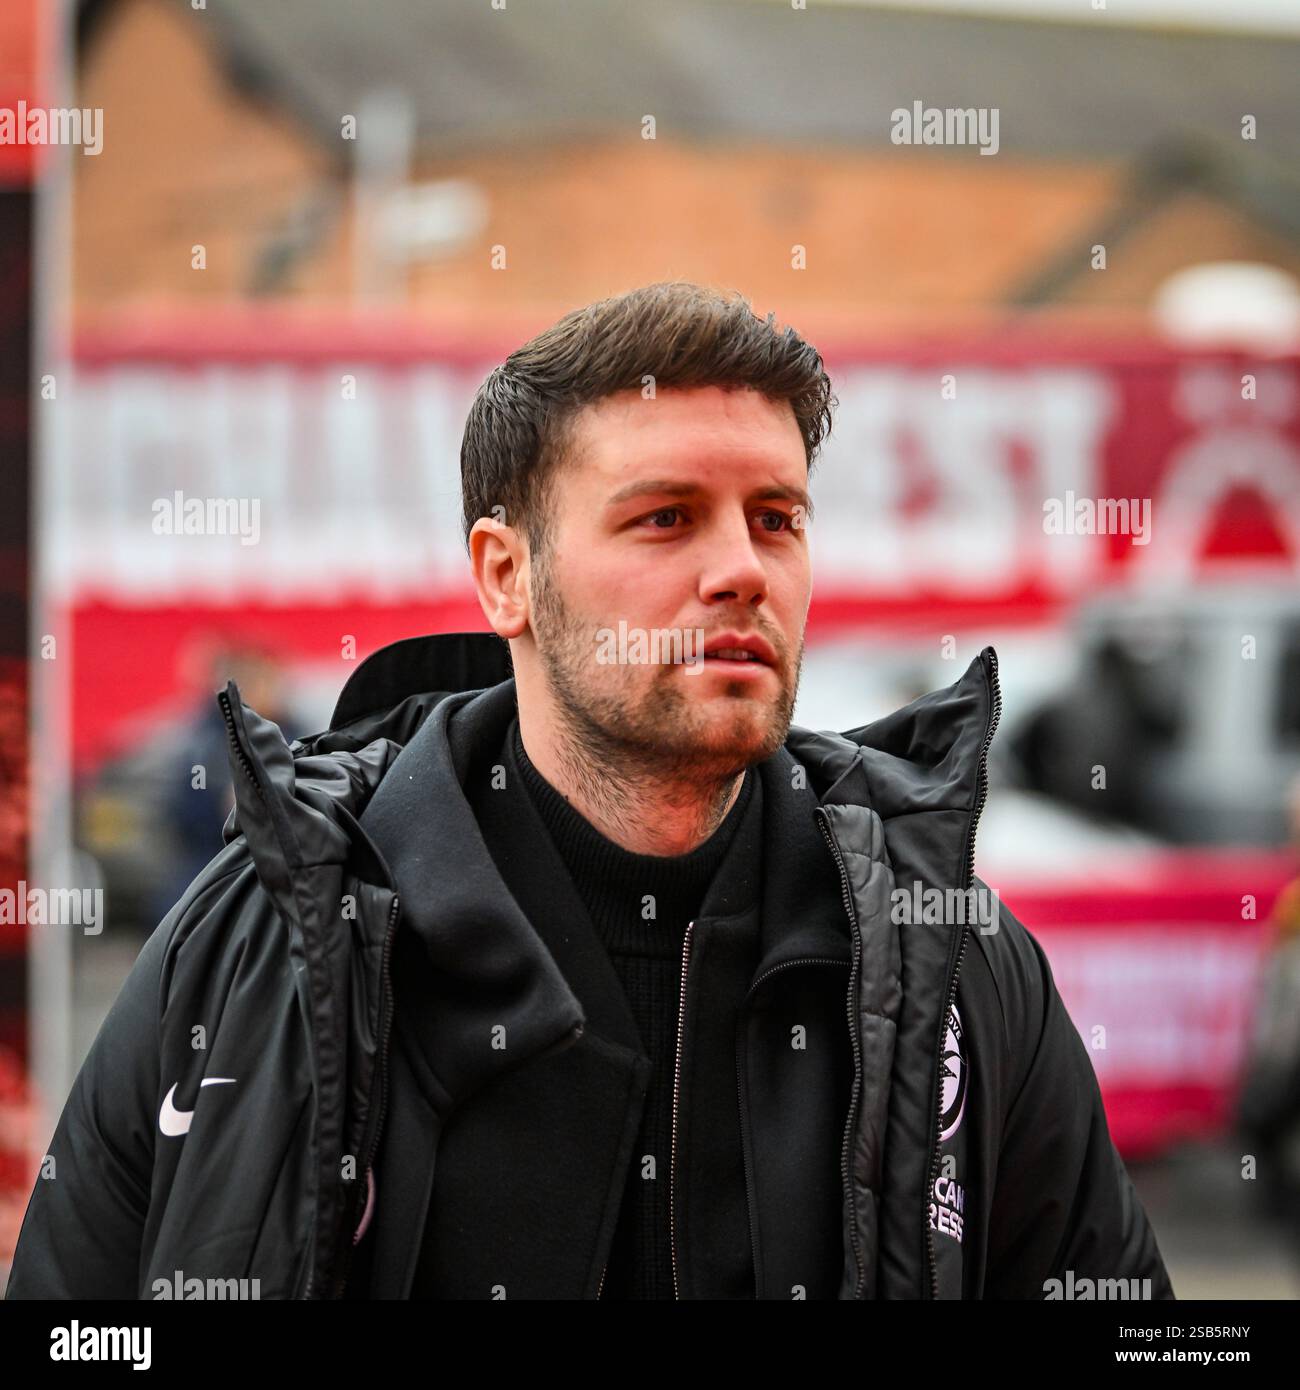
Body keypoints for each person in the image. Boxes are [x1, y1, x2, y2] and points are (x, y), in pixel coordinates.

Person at [5, 282, 1173, 1300]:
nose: (741, 570)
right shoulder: (264, 941)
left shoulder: (949, 962)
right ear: (506, 575)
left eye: (777, 520)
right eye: (665, 518)